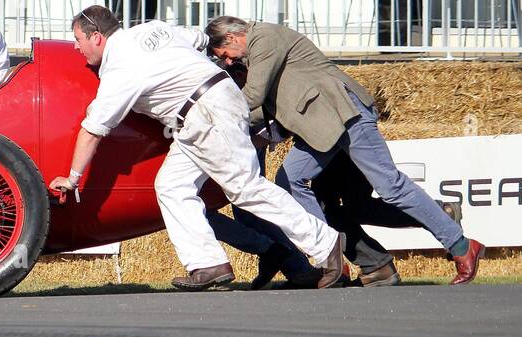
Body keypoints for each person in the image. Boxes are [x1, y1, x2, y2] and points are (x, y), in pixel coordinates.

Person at [48, 6, 345, 291]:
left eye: (78, 40)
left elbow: (93, 129)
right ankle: (208, 264)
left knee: (246, 188)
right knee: (172, 186)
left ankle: (325, 244)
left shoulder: (119, 70)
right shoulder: (151, 29)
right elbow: (199, 39)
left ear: (96, 36)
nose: (76, 48)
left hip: (205, 114)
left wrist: (72, 177)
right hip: (202, 112)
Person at [205, 16, 484, 284]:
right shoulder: (254, 50)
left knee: (391, 186)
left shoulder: (262, 38)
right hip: (320, 127)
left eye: (226, 53)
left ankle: (461, 245)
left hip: (345, 114)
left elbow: (253, 96)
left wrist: (207, 115)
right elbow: (263, 111)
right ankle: (329, 256)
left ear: (231, 36)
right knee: (290, 182)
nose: (229, 61)